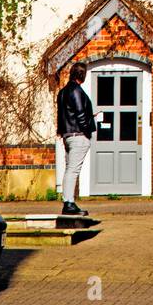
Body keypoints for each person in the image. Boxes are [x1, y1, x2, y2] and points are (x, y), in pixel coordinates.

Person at [56, 62, 95, 216]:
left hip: (67, 134)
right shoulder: (76, 91)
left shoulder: (63, 92)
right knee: (73, 170)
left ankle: (68, 201)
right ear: (82, 75)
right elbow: (79, 114)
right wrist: (87, 130)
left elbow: (65, 114)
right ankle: (69, 203)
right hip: (78, 135)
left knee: (69, 169)